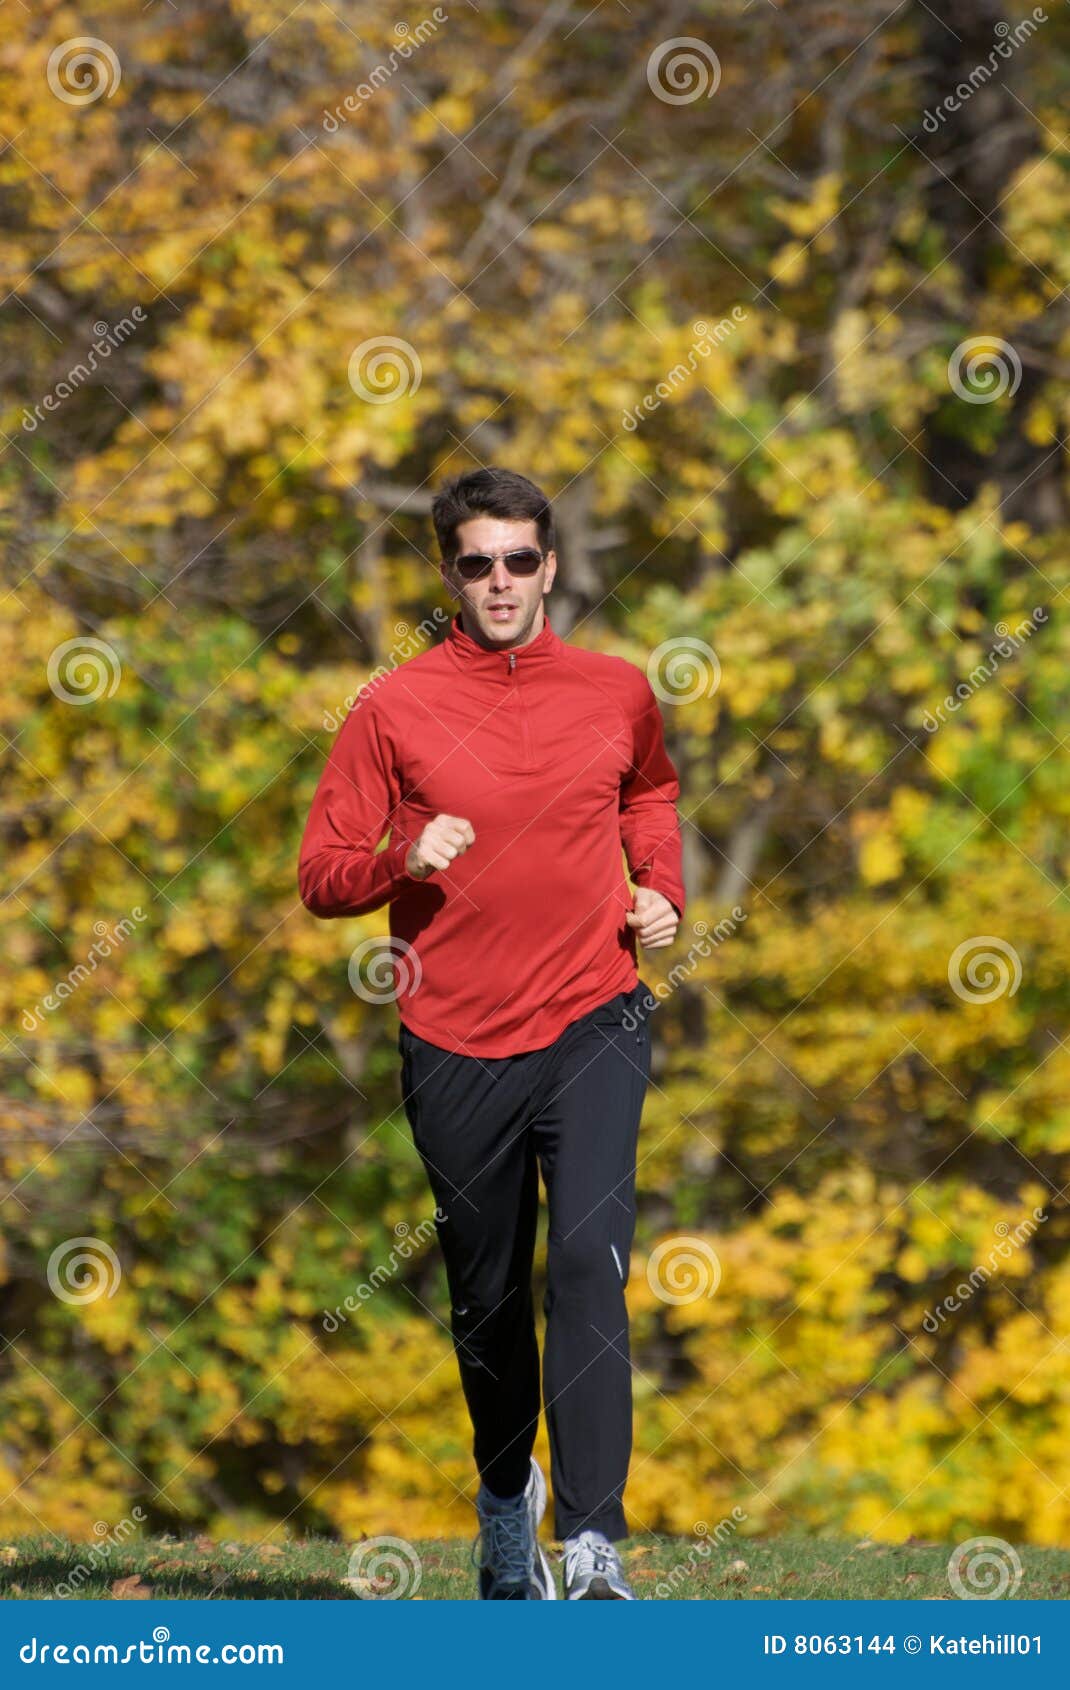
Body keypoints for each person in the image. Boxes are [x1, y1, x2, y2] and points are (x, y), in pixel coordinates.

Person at [298, 466, 685, 1599]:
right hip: (456, 1036)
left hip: (593, 1015)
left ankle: (596, 1540)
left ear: (550, 567)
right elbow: (320, 875)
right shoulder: (393, 707)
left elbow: (648, 794)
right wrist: (396, 862)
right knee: (485, 1295)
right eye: (477, 563)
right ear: (448, 575)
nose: (501, 581)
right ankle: (504, 1494)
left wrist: (657, 888)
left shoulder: (613, 690)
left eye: (520, 560)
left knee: (585, 1261)